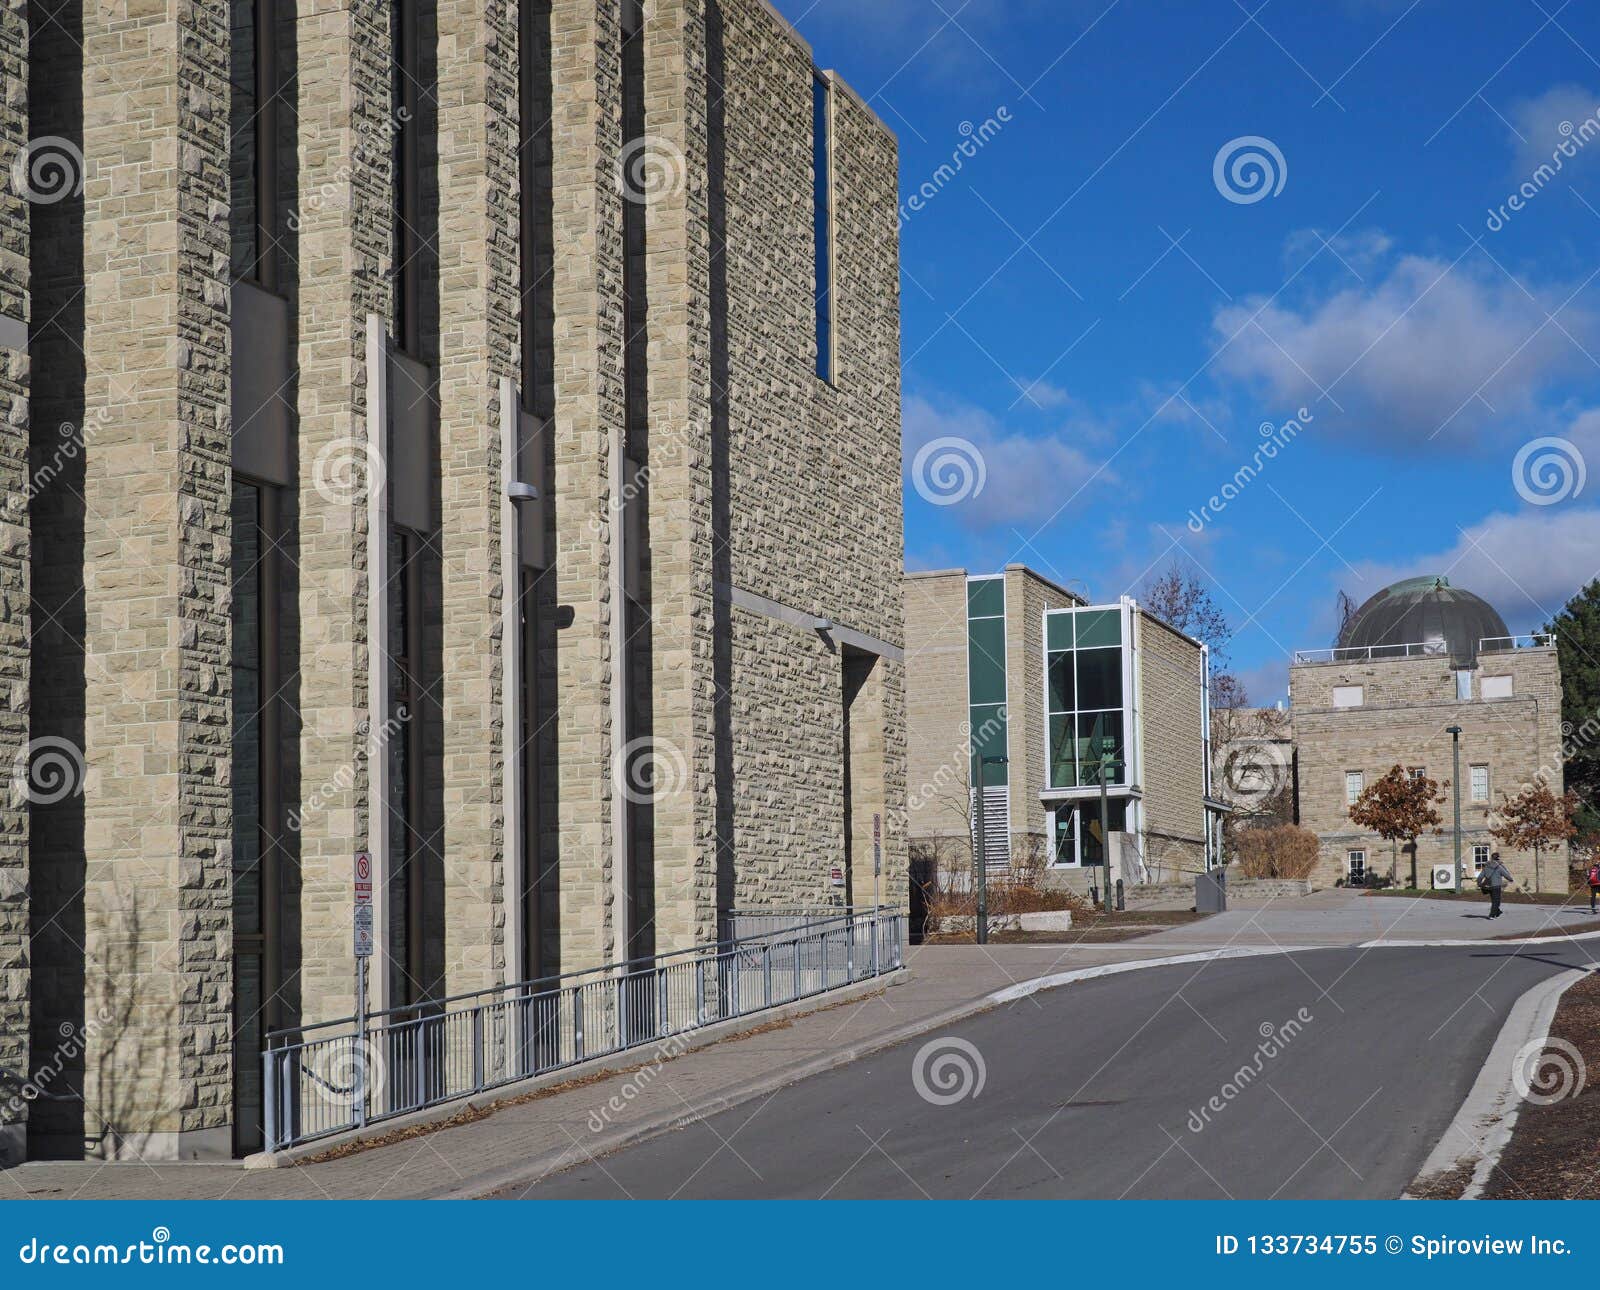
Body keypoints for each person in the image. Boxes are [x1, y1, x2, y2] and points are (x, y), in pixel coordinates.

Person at [1479, 851, 1514, 918]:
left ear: (1492, 858)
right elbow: (1506, 874)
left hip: (1488, 886)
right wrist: (1510, 879)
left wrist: (1479, 883)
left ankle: (1497, 912)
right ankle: (1491, 915)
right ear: (1498, 859)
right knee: (1496, 901)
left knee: (1494, 900)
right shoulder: (1500, 867)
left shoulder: (1486, 866)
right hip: (1496, 886)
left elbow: (1480, 876)